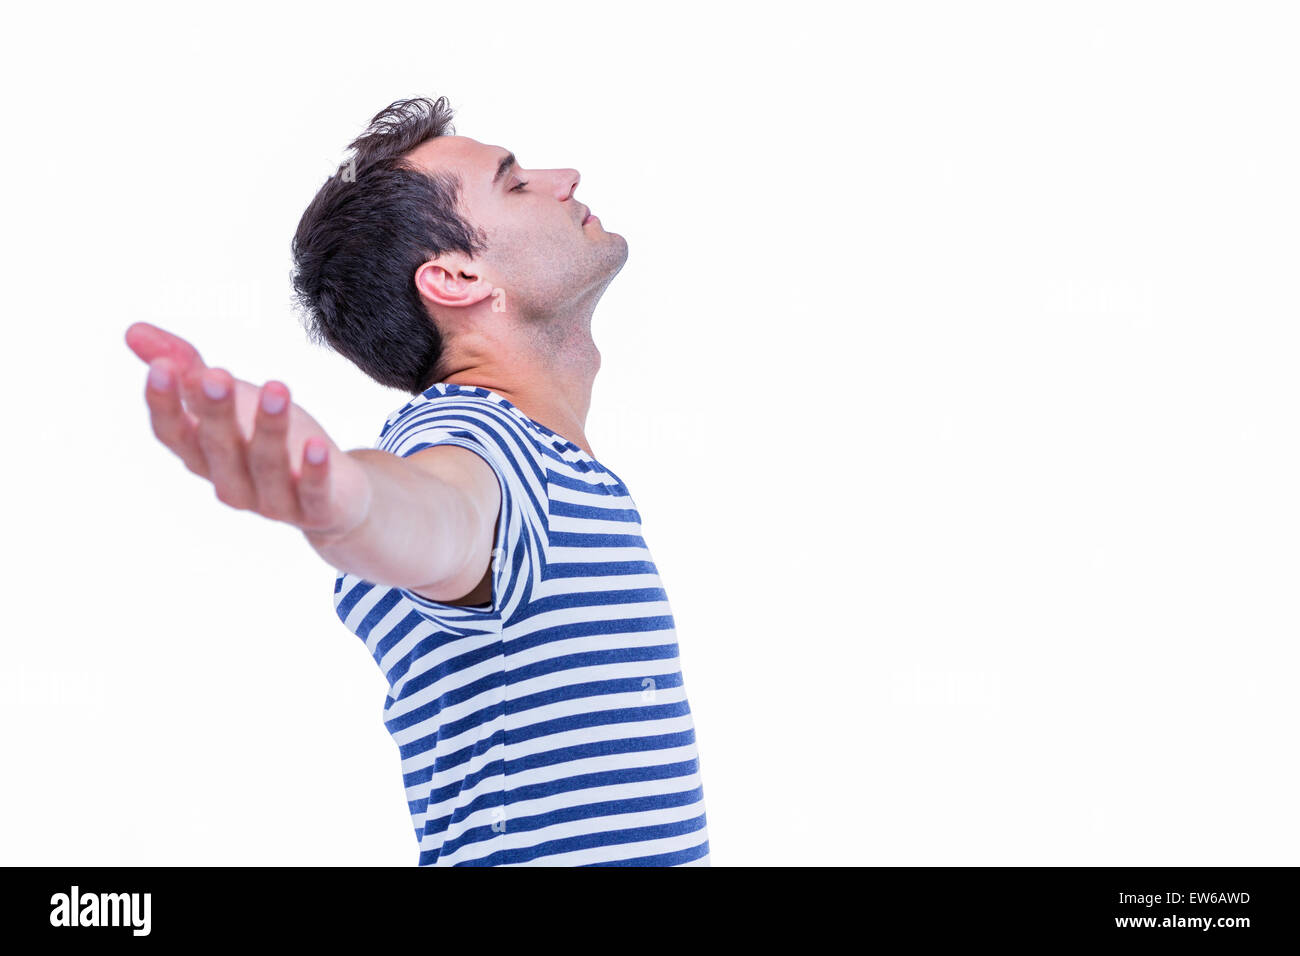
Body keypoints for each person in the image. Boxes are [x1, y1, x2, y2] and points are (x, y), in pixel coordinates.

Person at [124, 96, 710, 866]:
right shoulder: (480, 441)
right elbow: (438, 513)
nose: (563, 177)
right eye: (516, 183)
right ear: (458, 276)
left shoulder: (554, 461)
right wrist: (345, 501)